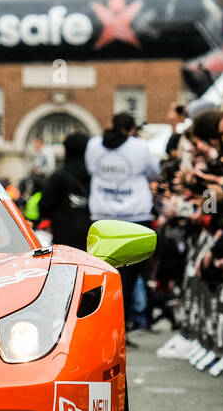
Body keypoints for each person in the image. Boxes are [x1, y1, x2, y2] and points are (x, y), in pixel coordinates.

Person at [86, 113, 159, 337]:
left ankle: (100, 326)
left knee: (102, 274)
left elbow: (90, 169)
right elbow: (155, 172)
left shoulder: (94, 145)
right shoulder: (140, 147)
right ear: (131, 129)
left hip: (102, 215)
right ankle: (122, 327)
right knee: (132, 277)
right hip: (135, 215)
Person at [38, 132, 92, 249]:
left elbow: (44, 205)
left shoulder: (59, 177)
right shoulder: (94, 177)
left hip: (63, 239)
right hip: (90, 239)